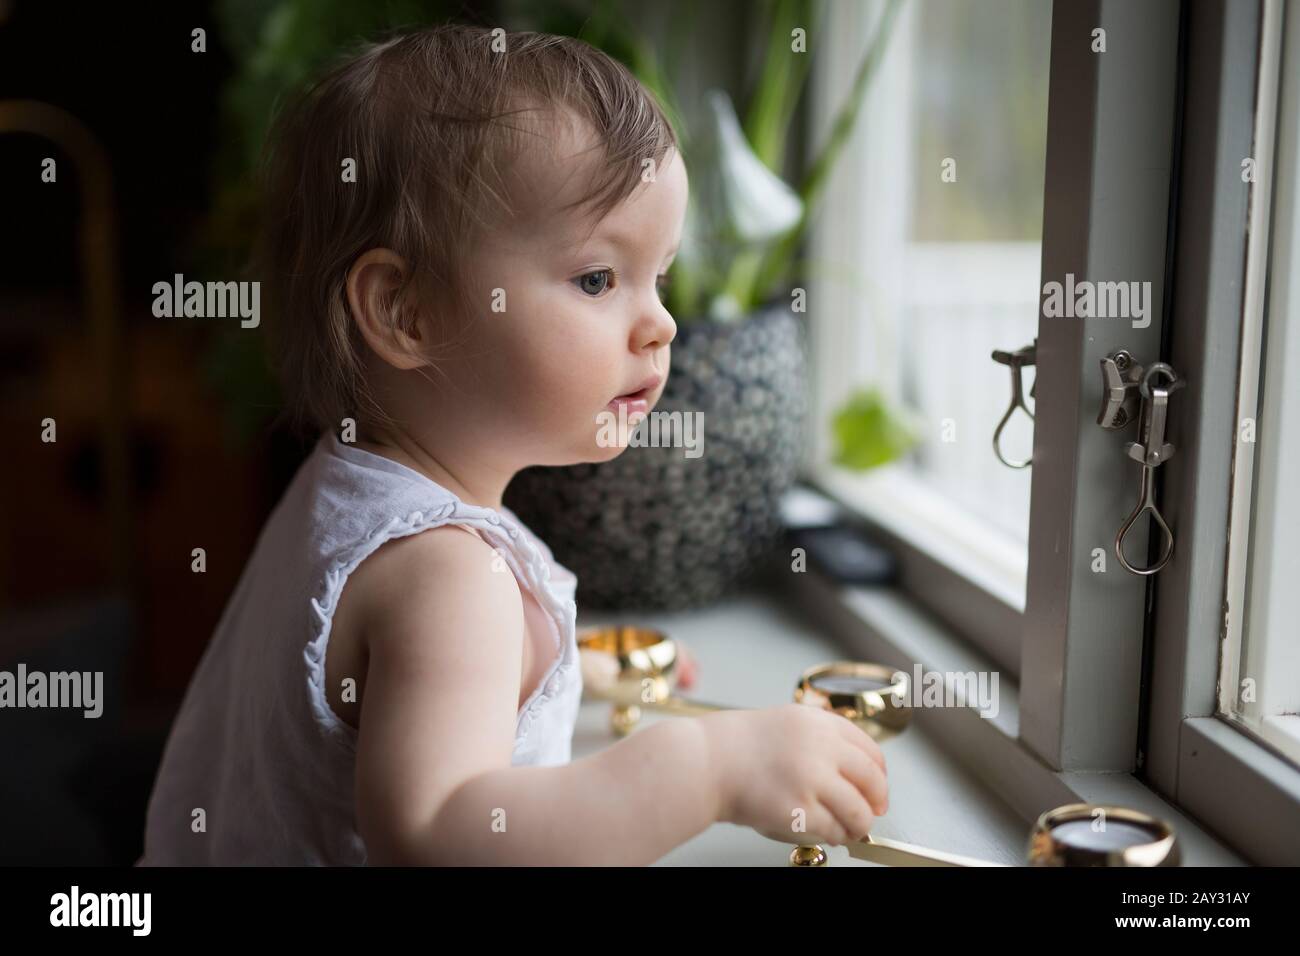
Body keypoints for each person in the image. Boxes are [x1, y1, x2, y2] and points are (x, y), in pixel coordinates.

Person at [138, 23, 887, 866]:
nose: (662, 324)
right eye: (599, 279)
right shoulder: (451, 580)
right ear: (404, 312)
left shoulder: (341, 488)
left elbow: (395, 707)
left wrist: (556, 677)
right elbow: (440, 834)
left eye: (661, 276)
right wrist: (707, 769)